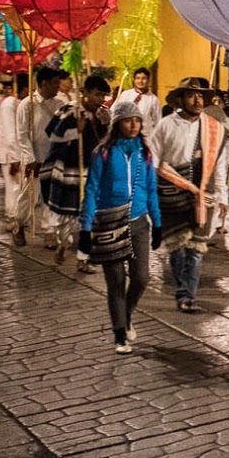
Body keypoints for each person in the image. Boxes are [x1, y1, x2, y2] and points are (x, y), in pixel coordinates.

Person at [80, 101, 161, 354]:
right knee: (116, 282)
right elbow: (91, 190)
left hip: (138, 222)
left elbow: (151, 189)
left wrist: (157, 223)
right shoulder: (102, 152)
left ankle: (126, 314)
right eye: (128, 120)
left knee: (141, 277)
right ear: (117, 123)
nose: (134, 125)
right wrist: (85, 228)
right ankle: (119, 335)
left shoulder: (145, 153)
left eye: (137, 120)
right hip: (108, 223)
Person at [153, 76, 229, 313]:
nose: (197, 100)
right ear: (180, 99)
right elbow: (154, 158)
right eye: (191, 95)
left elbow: (219, 165)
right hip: (171, 192)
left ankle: (187, 294)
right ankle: (181, 286)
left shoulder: (214, 129)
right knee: (176, 247)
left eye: (201, 96)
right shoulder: (166, 124)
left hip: (203, 193)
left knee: (196, 249)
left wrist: (223, 196)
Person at [42, 76, 112, 273]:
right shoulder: (69, 111)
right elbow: (52, 134)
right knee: (65, 217)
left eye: (103, 96)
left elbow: (105, 141)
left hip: (91, 171)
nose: (100, 100)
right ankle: (64, 242)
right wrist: (76, 131)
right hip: (68, 171)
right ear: (85, 92)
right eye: (97, 94)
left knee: (88, 216)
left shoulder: (102, 114)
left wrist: (107, 126)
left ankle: (83, 258)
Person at [18, 67, 71, 255]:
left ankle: (49, 234)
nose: (58, 86)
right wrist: (30, 158)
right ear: (43, 83)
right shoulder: (27, 105)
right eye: (55, 83)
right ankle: (19, 225)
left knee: (51, 198)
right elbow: (22, 135)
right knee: (28, 197)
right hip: (34, 158)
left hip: (53, 159)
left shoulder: (60, 103)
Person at [0, 77, 30, 245]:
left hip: (19, 153)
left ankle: (19, 217)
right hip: (11, 154)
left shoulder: (18, 103)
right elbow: (10, 133)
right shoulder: (9, 105)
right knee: (14, 187)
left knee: (21, 188)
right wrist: (16, 158)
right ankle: (12, 218)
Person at [115, 68, 162, 143]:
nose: (140, 81)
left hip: (146, 138)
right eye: (138, 78)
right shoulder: (126, 95)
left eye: (144, 78)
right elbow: (116, 113)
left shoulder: (153, 99)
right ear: (134, 80)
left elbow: (158, 121)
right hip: (125, 136)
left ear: (148, 80)